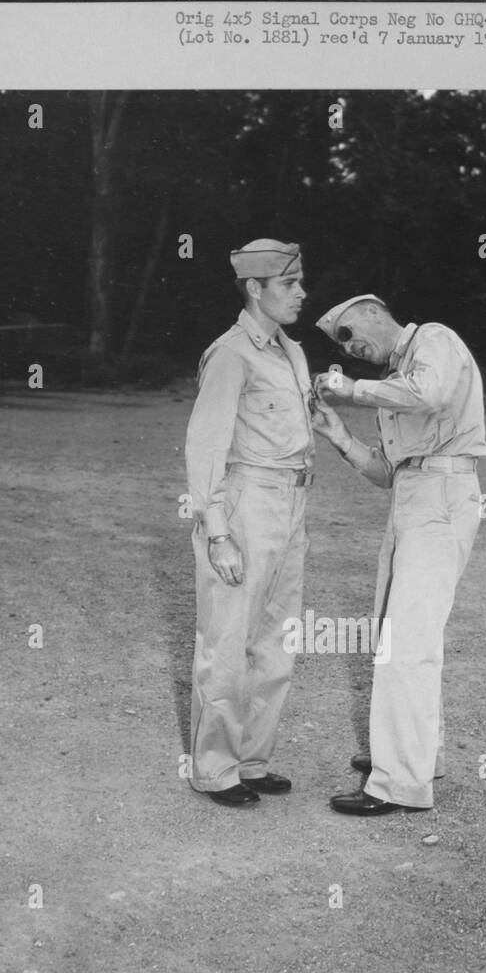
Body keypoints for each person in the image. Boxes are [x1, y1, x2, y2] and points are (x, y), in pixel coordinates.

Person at [310, 294, 486, 815]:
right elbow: (389, 471)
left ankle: (400, 784)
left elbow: (427, 393)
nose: (349, 349)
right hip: (413, 497)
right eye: (340, 346)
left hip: (441, 495)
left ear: (373, 312)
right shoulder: (394, 382)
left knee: (408, 645)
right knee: (398, 638)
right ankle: (415, 757)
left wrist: (350, 388)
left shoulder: (434, 338)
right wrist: (340, 436)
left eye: (348, 334)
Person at [183, 239, 313, 806]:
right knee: (227, 642)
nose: (301, 293)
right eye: (290, 283)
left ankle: (253, 761)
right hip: (246, 503)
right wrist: (218, 532)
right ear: (255, 289)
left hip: (291, 502)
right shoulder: (231, 354)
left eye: (300, 281)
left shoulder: (291, 351)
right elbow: (205, 446)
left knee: (276, 642)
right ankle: (216, 769)